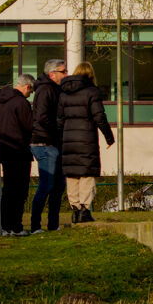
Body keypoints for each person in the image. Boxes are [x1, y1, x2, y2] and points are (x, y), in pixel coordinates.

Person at [57, 61, 114, 223]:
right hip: (86, 139)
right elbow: (99, 117)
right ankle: (84, 210)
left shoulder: (64, 93)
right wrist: (109, 137)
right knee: (87, 175)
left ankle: (75, 210)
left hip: (68, 140)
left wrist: (60, 140)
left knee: (72, 175)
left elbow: (59, 120)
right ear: (91, 74)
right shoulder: (92, 92)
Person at [29, 58, 67, 233]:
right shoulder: (46, 90)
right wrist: (59, 128)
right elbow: (42, 118)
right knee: (46, 185)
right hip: (45, 143)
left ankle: (53, 224)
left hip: (52, 142)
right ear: (52, 74)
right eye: (63, 71)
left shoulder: (54, 90)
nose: (66, 74)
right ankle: (36, 225)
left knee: (58, 185)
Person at [0, 73, 35, 236]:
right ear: (27, 87)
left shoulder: (0, 102)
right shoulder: (22, 103)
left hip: (4, 150)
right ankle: (16, 226)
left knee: (8, 190)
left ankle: (5, 226)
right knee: (20, 191)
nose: (31, 94)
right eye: (31, 90)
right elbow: (29, 127)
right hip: (19, 151)